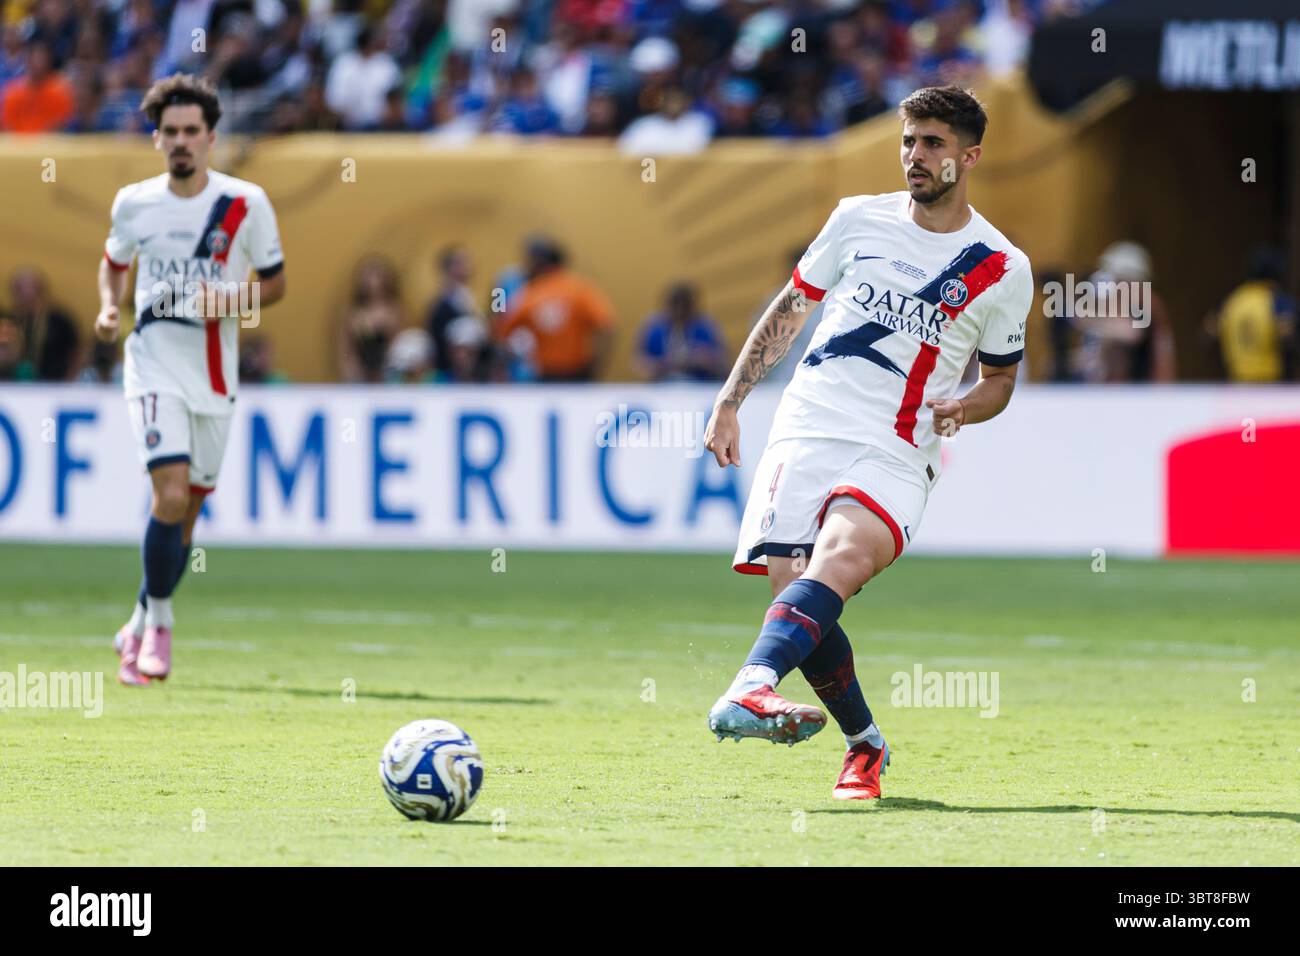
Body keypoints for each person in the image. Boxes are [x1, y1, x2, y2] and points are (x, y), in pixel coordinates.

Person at [701, 86, 1033, 800]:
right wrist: (730, 403)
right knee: (801, 604)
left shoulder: (1002, 267)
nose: (916, 155)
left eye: (934, 143)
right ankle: (865, 746)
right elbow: (791, 311)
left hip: (896, 448)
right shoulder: (857, 219)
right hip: (808, 426)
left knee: (841, 562)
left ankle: (750, 685)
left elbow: (1000, 380)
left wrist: (964, 408)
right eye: (910, 140)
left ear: (969, 156)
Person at [94, 74, 287, 686]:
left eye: (191, 132)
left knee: (187, 515)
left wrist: (228, 301)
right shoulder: (135, 203)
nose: (180, 142)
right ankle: (163, 631)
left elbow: (276, 285)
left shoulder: (245, 204)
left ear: (210, 137)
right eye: (170, 132)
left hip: (214, 373)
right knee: (169, 496)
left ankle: (137, 620)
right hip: (151, 362)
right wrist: (108, 307)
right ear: (158, 139)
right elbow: (113, 263)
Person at [497, 235, 614, 382]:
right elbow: (607, 327)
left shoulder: (529, 292)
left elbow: (502, 329)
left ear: (539, 263)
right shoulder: (581, 289)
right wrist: (597, 366)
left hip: (545, 374)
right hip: (578, 373)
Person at [1208, 246, 1296, 383]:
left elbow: (1208, 335)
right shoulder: (1277, 301)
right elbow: (1288, 339)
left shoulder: (1232, 301)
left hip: (1237, 382)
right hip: (1270, 383)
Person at [636, 283, 726, 382]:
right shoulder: (654, 327)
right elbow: (639, 362)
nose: (679, 311)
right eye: (675, 306)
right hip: (662, 385)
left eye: (685, 307)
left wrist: (707, 360)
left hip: (699, 385)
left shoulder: (705, 326)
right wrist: (662, 365)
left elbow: (723, 361)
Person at [339, 256, 404, 383]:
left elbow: (399, 344)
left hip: (387, 373)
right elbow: (345, 348)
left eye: (377, 276)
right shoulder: (352, 312)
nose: (372, 282)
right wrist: (351, 369)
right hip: (358, 374)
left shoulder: (395, 310)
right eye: (367, 276)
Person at [7, 267, 80, 381]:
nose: (25, 297)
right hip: (14, 385)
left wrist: (69, 380)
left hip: (53, 384)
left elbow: (76, 353)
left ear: (41, 291)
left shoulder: (60, 321)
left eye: (30, 291)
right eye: (19, 291)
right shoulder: (10, 321)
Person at [425, 245, 481, 376]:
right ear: (449, 268)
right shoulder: (443, 300)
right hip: (447, 369)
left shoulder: (472, 294)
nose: (467, 265)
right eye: (461, 262)